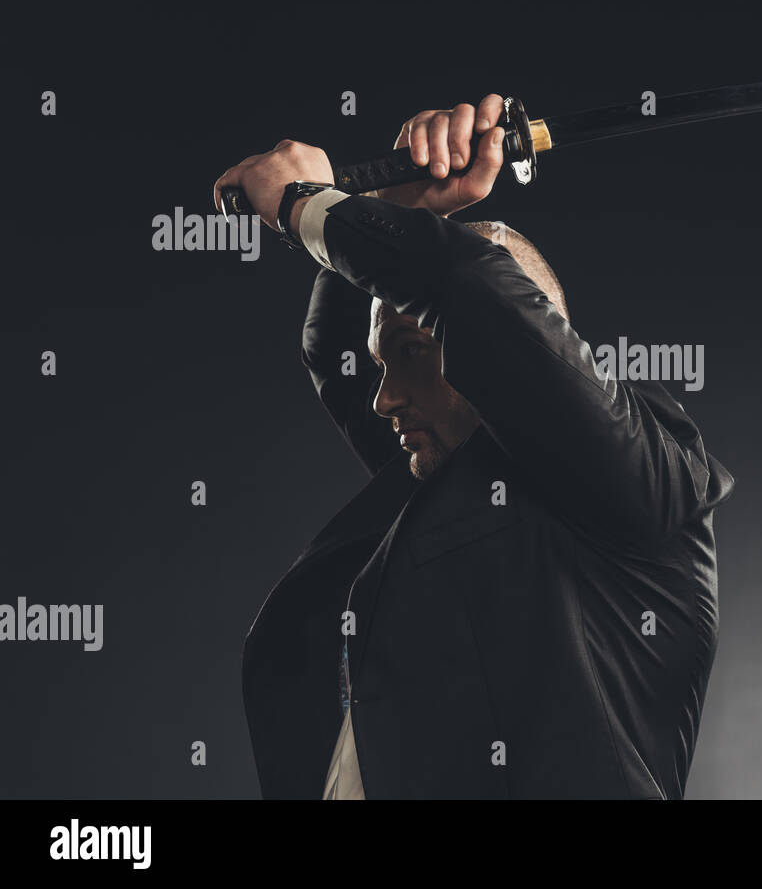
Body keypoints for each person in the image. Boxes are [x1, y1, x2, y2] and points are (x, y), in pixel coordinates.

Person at [216, 95, 735, 798]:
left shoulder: (643, 483)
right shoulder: (456, 496)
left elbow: (471, 290)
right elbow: (335, 350)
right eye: (385, 363)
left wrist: (312, 204)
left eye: (411, 353)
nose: (384, 397)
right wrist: (390, 204)